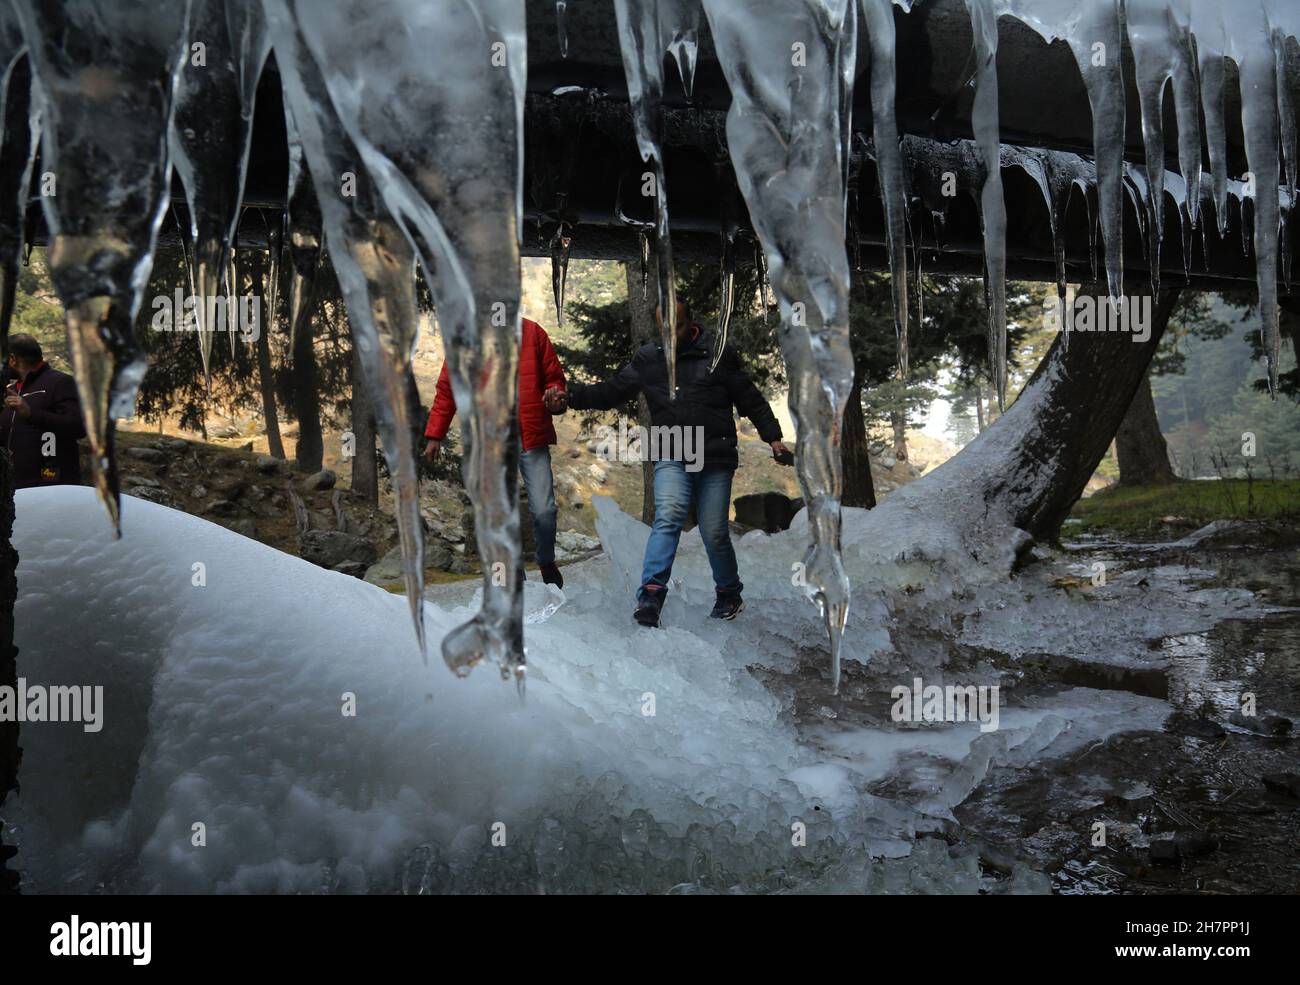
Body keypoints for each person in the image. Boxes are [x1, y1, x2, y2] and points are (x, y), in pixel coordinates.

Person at [546, 299, 792, 627]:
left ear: (690, 323)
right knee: (669, 515)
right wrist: (569, 397)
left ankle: (729, 593)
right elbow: (611, 392)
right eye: (664, 328)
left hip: (715, 455)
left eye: (675, 326)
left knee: (714, 529)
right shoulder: (649, 359)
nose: (669, 334)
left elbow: (752, 399)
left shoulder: (716, 355)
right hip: (671, 452)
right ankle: (650, 595)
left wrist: (773, 437)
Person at [424, 317, 567, 587]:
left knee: (545, 510)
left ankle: (546, 560)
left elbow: (554, 380)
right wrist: (435, 435)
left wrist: (556, 397)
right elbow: (447, 390)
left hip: (531, 437)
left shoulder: (533, 332)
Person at [0, 334, 86, 489]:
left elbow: (78, 427)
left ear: (12, 359)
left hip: (50, 484)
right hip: (14, 487)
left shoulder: (60, 382)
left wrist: (31, 414)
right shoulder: (11, 390)